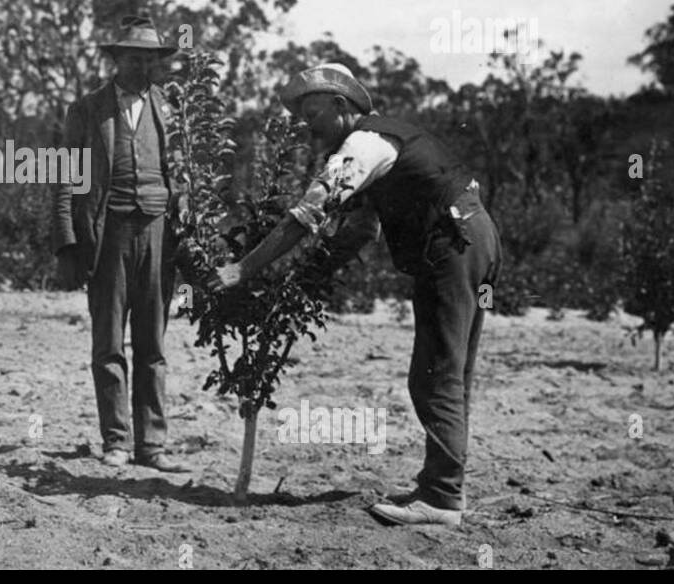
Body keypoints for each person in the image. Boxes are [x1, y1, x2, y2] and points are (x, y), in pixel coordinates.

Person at [205, 63, 502, 525]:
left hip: (453, 246)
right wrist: (309, 278)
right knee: (450, 371)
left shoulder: (362, 146)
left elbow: (305, 216)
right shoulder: (381, 143)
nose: (306, 127)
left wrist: (241, 270)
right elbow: (363, 229)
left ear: (341, 106)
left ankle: (443, 500)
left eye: (312, 114)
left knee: (434, 375)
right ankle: (441, 486)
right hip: (469, 238)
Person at [52, 14, 191, 473]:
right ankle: (116, 440)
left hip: (157, 231)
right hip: (106, 232)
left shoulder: (170, 109)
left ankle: (152, 445)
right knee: (108, 342)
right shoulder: (88, 109)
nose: (141, 65)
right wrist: (68, 241)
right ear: (116, 59)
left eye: (149, 58)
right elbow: (64, 176)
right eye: (133, 57)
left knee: (153, 342)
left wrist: (187, 229)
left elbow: (184, 178)